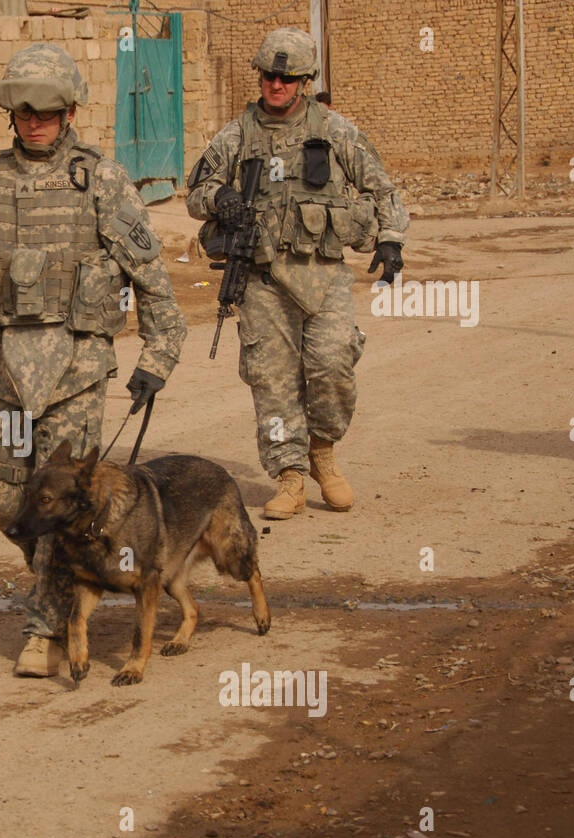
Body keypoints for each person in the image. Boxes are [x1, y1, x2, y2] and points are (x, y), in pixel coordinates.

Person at [0, 43, 187, 676]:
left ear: (68, 112)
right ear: (11, 113)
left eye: (48, 111)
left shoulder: (103, 182)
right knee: (13, 509)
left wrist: (159, 354)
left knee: (64, 508)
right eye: (24, 111)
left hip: (77, 373)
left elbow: (150, 275)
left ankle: (46, 630)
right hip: (1, 374)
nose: (35, 122)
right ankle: (60, 591)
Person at [187, 27, 408, 519]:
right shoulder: (237, 133)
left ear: (305, 81)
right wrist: (220, 197)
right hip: (264, 281)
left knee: (333, 367)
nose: (277, 85)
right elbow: (196, 192)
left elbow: (383, 190)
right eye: (269, 76)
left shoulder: (334, 131)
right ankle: (289, 475)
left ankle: (322, 452)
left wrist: (391, 239)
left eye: (287, 78)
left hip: (323, 276)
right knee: (272, 380)